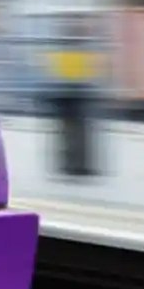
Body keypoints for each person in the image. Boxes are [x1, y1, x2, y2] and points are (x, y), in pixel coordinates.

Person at [44, 15, 101, 177]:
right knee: (75, 135)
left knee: (73, 135)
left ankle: (73, 165)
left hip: (73, 99)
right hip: (73, 99)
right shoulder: (74, 52)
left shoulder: (64, 51)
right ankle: (75, 166)